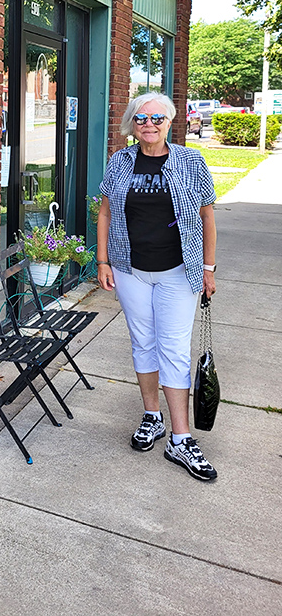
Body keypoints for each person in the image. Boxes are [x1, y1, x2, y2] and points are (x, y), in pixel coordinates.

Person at [97, 93, 218, 481]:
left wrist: (209, 269)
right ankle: (152, 416)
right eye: (141, 118)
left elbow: (207, 216)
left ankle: (180, 439)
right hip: (131, 270)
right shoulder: (120, 162)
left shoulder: (190, 161)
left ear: (170, 122)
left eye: (157, 118)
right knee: (142, 342)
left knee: (174, 348)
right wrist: (102, 260)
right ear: (132, 124)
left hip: (178, 271)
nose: (149, 124)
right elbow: (105, 212)